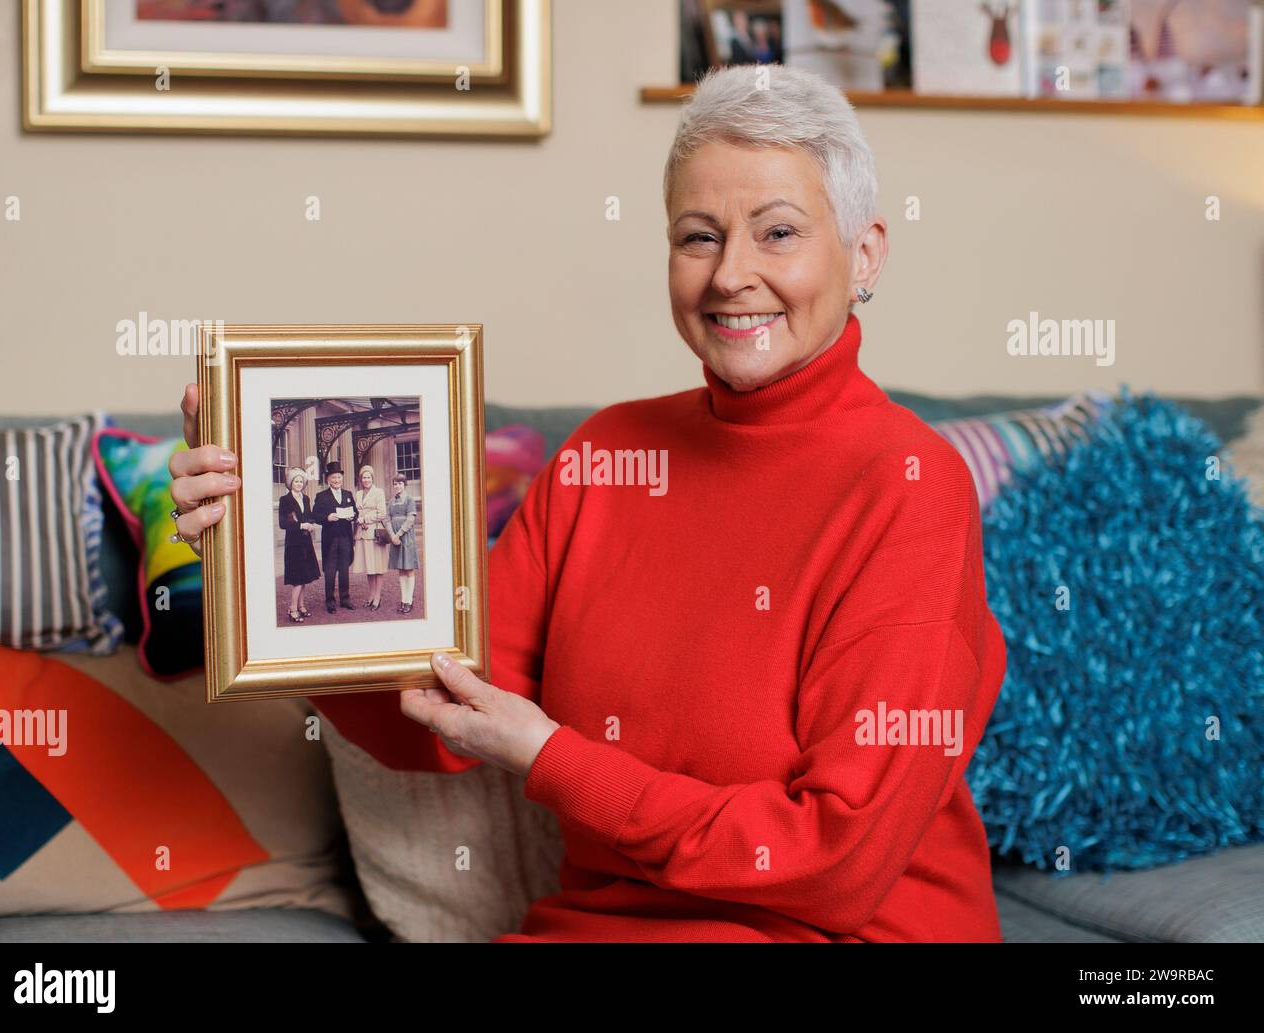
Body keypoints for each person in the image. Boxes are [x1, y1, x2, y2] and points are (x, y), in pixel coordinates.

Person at [168, 63, 1007, 942]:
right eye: (697, 237)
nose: (731, 275)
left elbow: (835, 865)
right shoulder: (603, 458)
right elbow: (444, 718)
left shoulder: (911, 485)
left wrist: (554, 758)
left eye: (779, 232)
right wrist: (252, 561)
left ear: (865, 252)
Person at [311, 460, 356, 614]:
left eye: (339, 477)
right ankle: (330, 600)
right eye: (333, 478)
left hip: (345, 537)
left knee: (344, 569)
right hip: (330, 539)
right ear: (328, 479)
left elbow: (355, 512)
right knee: (330, 571)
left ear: (341, 478)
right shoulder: (321, 496)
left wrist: (353, 517)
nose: (337, 480)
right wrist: (327, 517)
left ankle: (345, 599)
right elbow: (315, 515)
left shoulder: (348, 494)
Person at [278, 467, 321, 623]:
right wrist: (301, 526)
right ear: (291, 483)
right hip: (294, 543)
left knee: (305, 576)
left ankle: (302, 606)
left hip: (306, 541)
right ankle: (293, 609)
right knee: (297, 578)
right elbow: (283, 523)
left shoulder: (306, 498)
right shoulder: (285, 500)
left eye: (301, 481)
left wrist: (311, 524)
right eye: (296, 481)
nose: (298, 483)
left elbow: (308, 516)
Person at [351, 464, 389, 609]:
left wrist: (365, 518)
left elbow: (382, 514)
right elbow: (357, 512)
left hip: (375, 534)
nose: (366, 480)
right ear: (361, 479)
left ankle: (377, 598)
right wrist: (357, 518)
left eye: (368, 477)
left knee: (377, 567)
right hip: (362, 534)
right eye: (363, 477)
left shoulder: (378, 492)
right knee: (369, 567)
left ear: (372, 478)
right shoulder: (359, 494)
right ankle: (371, 595)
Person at [386, 473, 420, 614]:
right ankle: (403, 600)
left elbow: (410, 519)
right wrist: (392, 535)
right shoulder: (391, 501)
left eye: (400, 483)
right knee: (401, 568)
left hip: (406, 538)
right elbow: (387, 519)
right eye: (395, 483)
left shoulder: (410, 499)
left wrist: (398, 534)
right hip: (395, 538)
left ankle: (409, 601)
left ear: (404, 484)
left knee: (409, 568)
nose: (397, 486)